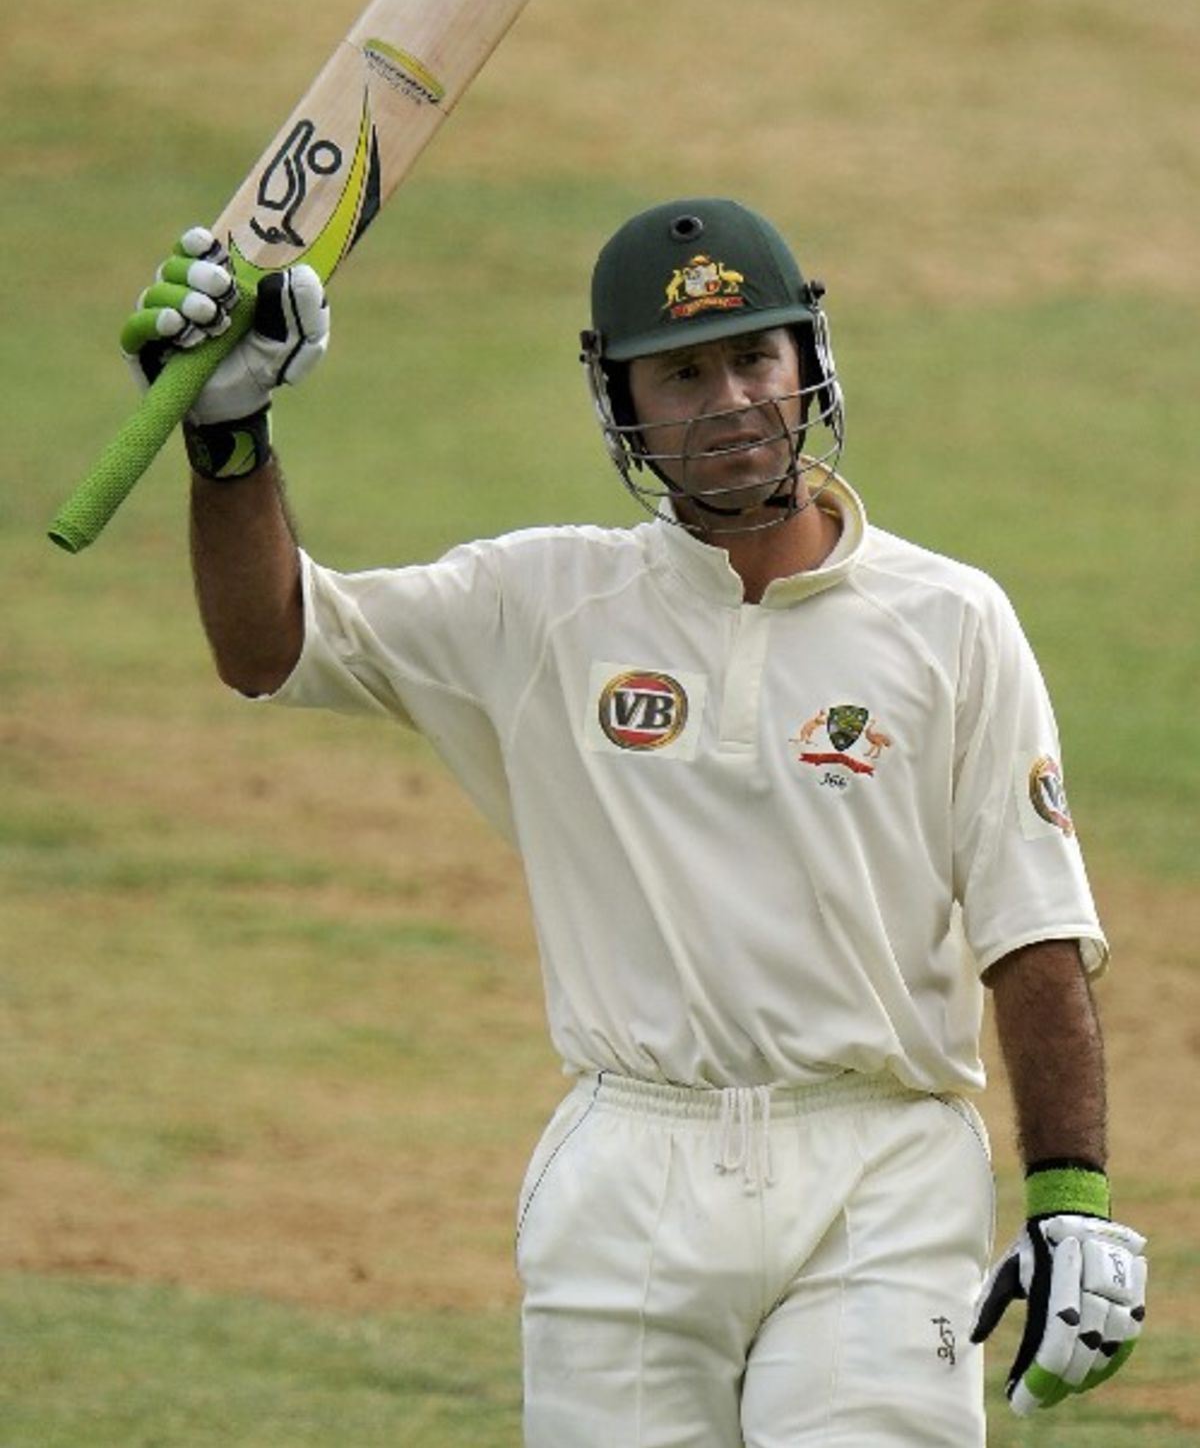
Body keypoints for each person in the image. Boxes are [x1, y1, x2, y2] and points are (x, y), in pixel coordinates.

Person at [122, 197, 1147, 1445]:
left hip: (880, 1168)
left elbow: (1030, 925)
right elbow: (268, 644)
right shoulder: (542, 602)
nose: (728, 399)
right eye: (681, 373)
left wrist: (1070, 1196)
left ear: (808, 361)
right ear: (621, 398)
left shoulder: (953, 621)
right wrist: (230, 441)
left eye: (754, 356)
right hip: (633, 1169)